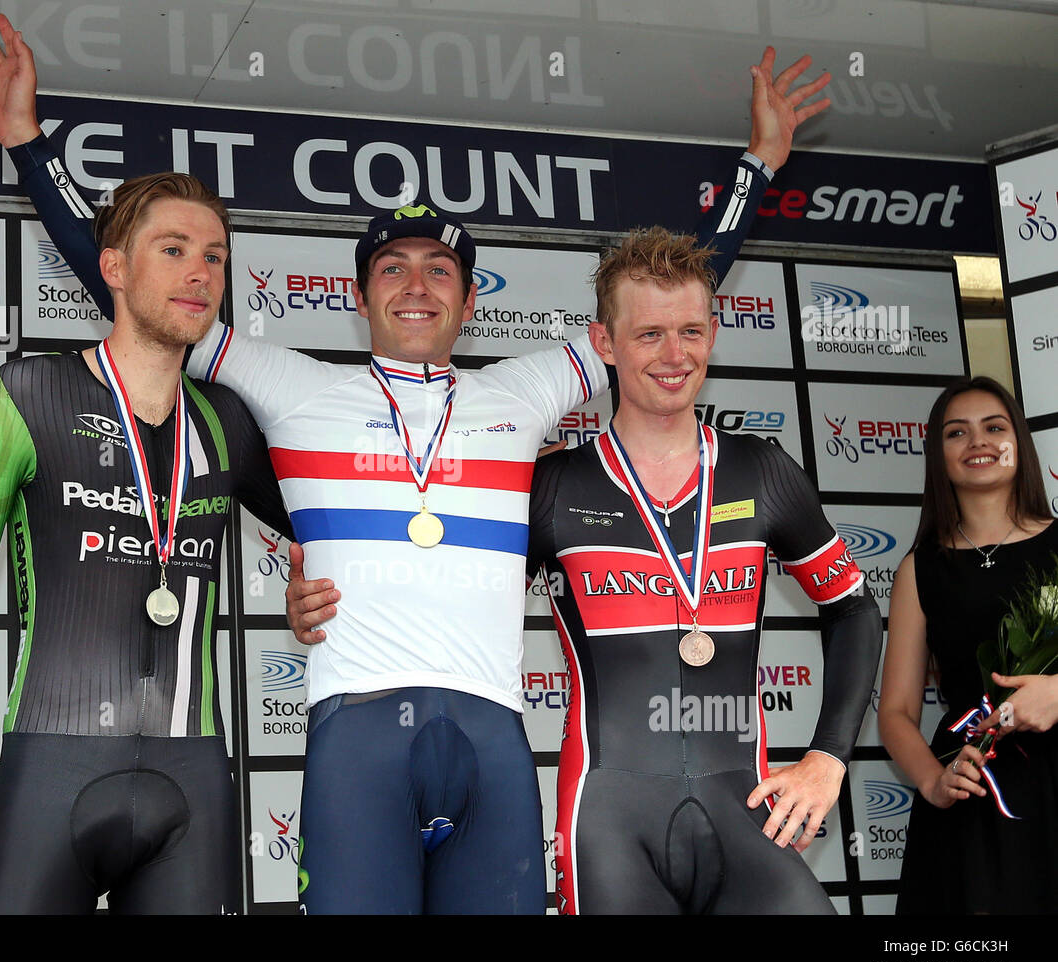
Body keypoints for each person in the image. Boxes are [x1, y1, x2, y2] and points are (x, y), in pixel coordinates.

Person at [0, 13, 829, 913]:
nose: (417, 286)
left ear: (469, 297)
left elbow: (668, 300)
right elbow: (138, 293)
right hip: (358, 737)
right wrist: (26, 140)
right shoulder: (292, 387)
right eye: (394, 269)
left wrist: (755, 168)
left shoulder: (524, 392)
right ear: (359, 294)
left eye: (440, 269)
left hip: (491, 735)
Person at [295, 229, 883, 913]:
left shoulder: (764, 470)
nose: (673, 355)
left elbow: (854, 608)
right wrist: (317, 590)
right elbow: (433, 578)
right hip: (607, 823)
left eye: (691, 331)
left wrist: (828, 757)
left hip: (744, 810)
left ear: (714, 334)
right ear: (604, 344)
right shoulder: (550, 488)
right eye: (649, 335)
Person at [0, 173, 293, 912]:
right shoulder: (25, 395)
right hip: (51, 772)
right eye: (174, 248)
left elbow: (334, 526)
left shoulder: (229, 423)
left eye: (215, 256)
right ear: (113, 268)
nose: (199, 273)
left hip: (194, 784)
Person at [878, 376, 1058, 914]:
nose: (977, 442)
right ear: (938, 455)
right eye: (957, 432)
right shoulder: (919, 569)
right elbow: (896, 711)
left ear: (1018, 443)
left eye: (994, 428)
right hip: (972, 796)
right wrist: (934, 782)